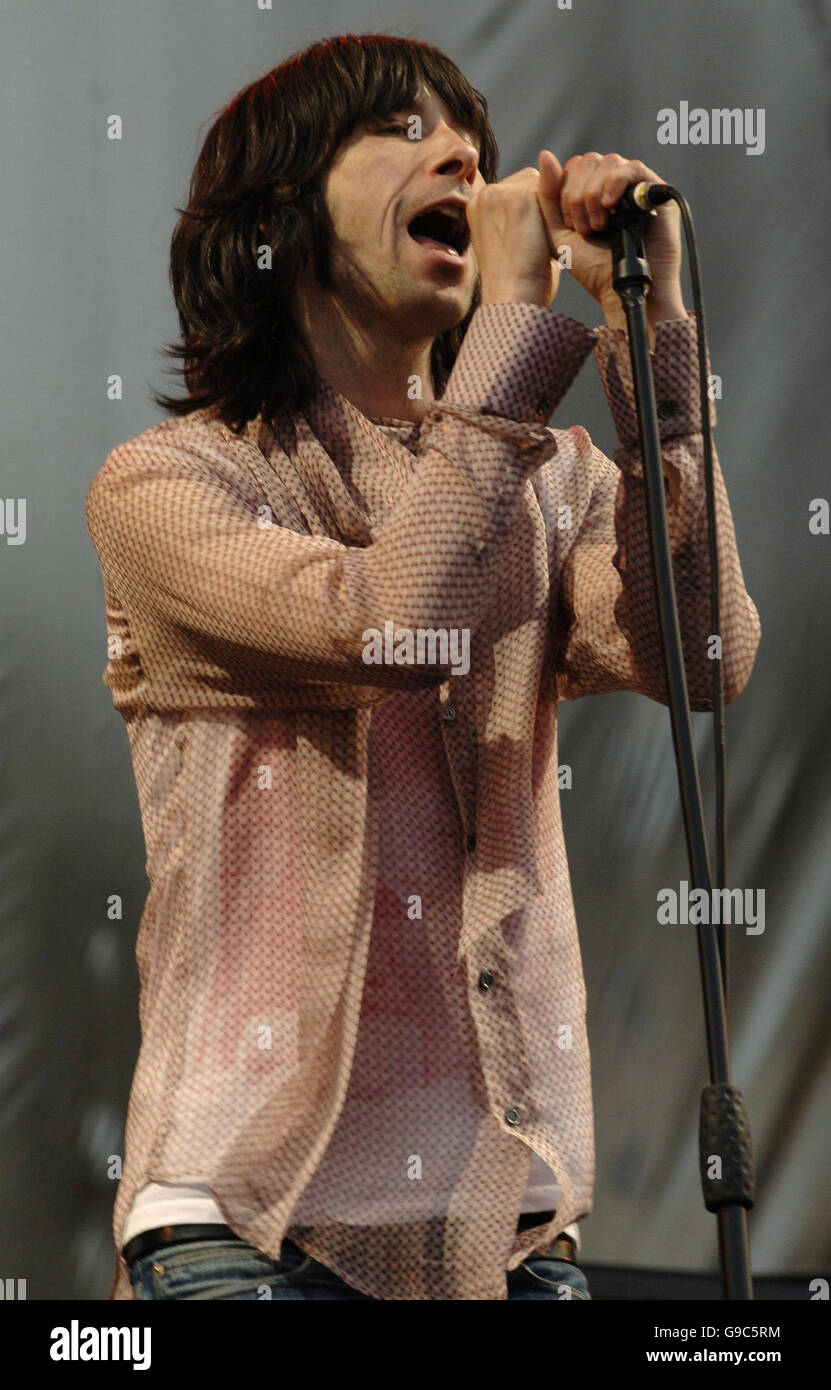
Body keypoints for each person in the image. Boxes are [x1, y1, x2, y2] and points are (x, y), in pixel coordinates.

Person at [84, 33, 761, 1302]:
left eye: (471, 140)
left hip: (504, 1233)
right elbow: (388, 623)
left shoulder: (544, 483)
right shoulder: (171, 486)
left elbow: (707, 652)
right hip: (242, 1232)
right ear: (279, 212)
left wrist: (650, 338)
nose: (460, 153)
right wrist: (515, 338)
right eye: (402, 129)